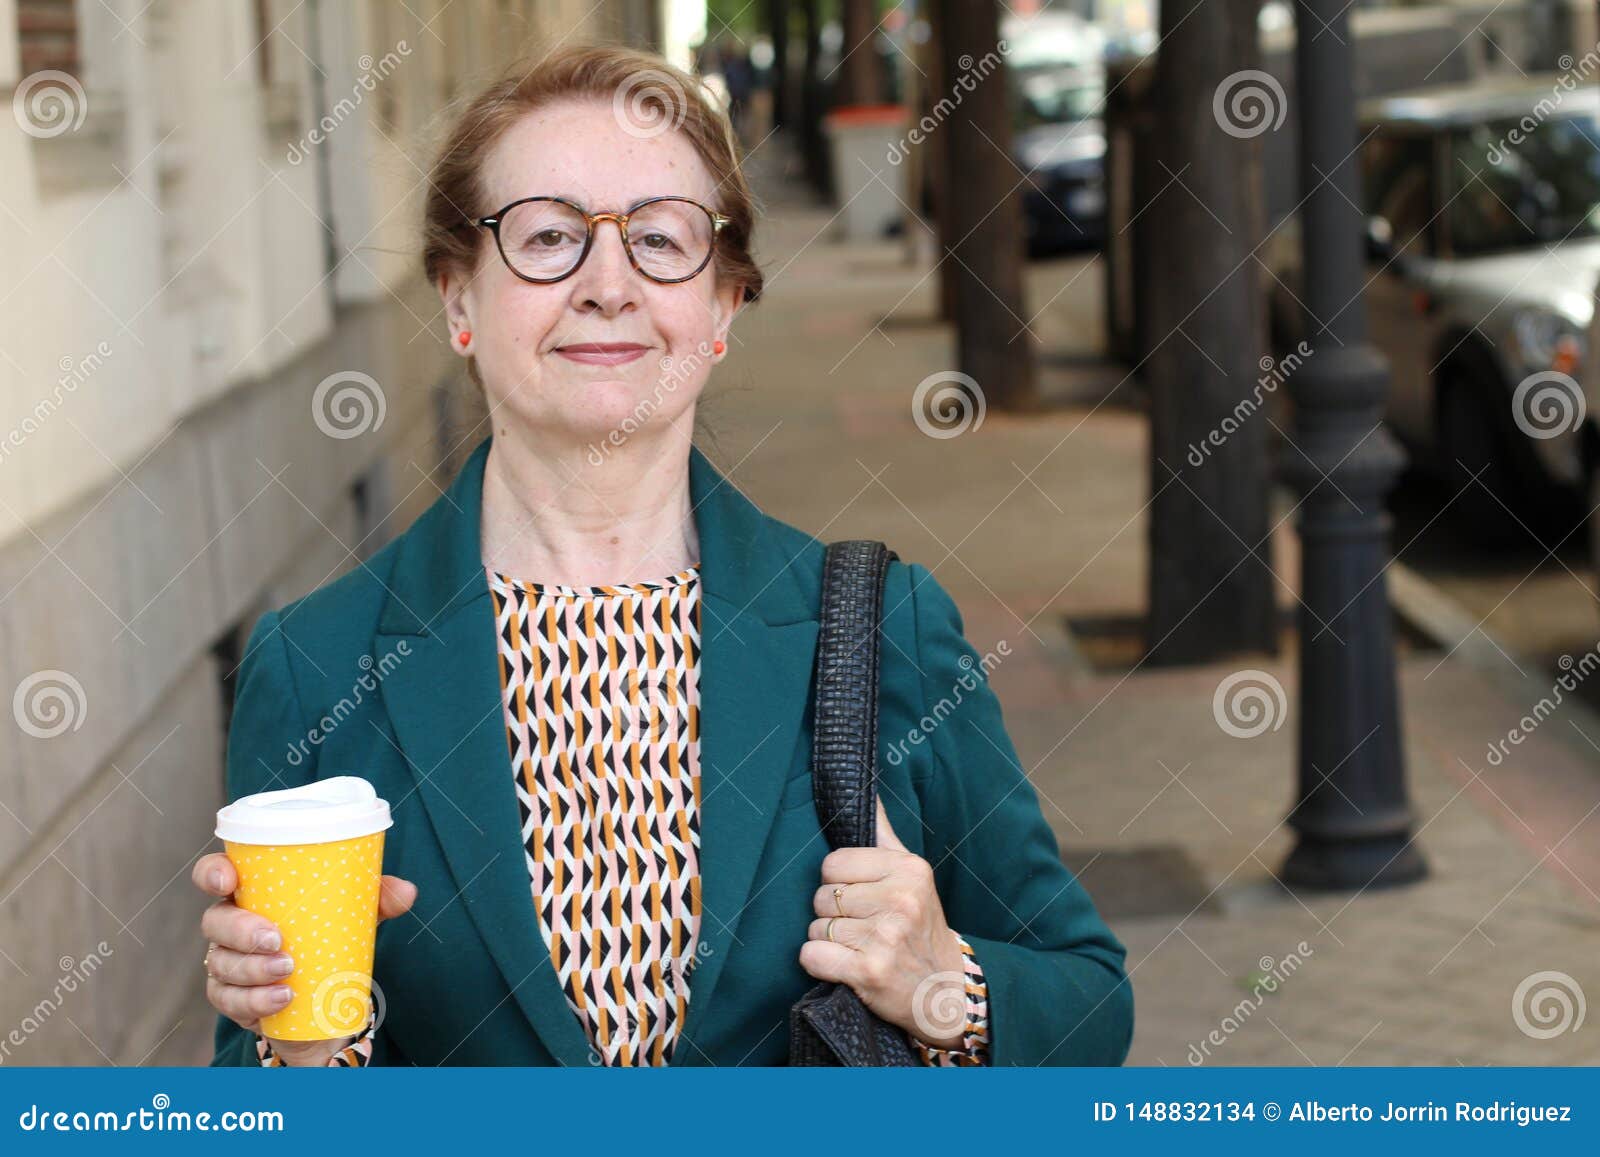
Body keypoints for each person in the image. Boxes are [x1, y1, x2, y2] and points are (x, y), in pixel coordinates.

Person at [195, 43, 1132, 1067]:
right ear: (459, 299)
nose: (608, 284)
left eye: (660, 238)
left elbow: (1089, 1002)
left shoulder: (878, 626)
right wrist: (298, 1044)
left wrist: (943, 981)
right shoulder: (318, 664)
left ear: (722, 306)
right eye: (548, 236)